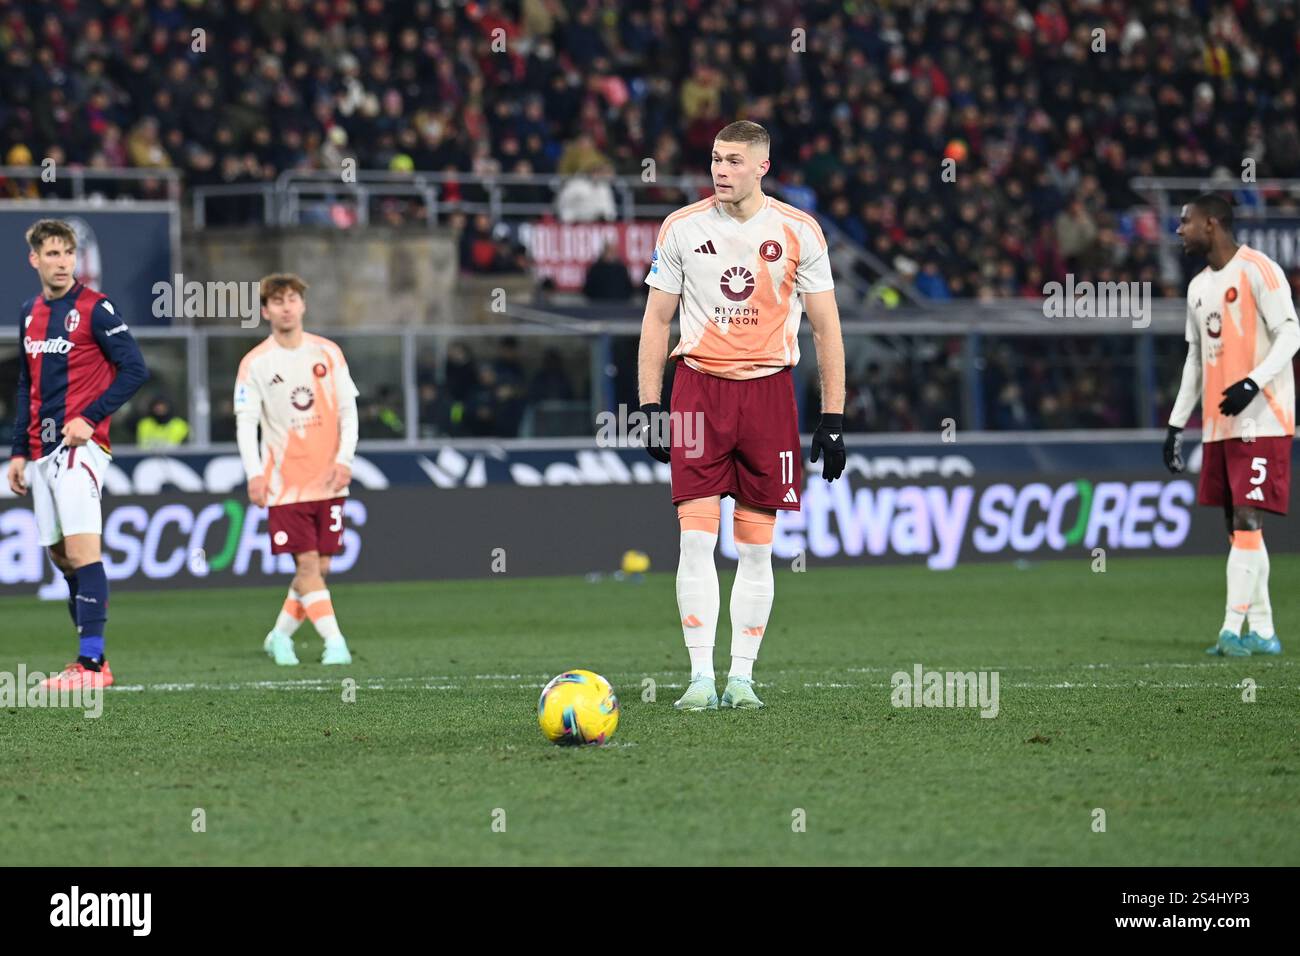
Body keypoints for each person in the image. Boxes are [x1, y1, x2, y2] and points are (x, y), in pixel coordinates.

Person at [636, 120, 846, 711]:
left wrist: (833, 418)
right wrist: (651, 404)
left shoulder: (799, 231)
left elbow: (826, 326)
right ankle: (701, 678)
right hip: (698, 392)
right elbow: (656, 320)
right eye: (713, 159)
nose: (720, 170)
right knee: (696, 541)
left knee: (755, 548)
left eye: (732, 160)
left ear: (762, 166)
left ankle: (741, 678)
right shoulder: (681, 227)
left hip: (769, 396)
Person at [6, 219, 149, 690]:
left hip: (80, 448)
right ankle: (94, 662)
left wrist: (90, 416)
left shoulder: (96, 308)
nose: (62, 262)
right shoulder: (29, 312)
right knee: (62, 557)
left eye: (67, 253)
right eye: (52, 254)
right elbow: (28, 384)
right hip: (42, 453)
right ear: (34, 260)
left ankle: (90, 665)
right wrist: (19, 452)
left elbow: (134, 369)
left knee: (84, 552)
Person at [1164, 194, 1300, 656]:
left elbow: (1292, 333)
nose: (1179, 230)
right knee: (1239, 529)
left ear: (1212, 223)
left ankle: (1230, 629)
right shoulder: (1198, 287)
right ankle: (1263, 630)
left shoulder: (1259, 269)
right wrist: (1175, 424)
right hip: (1220, 427)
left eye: (1186, 222)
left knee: (1247, 517)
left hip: (1264, 418)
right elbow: (1195, 362)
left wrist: (1253, 383)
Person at [235, 274, 360, 666]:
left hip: (329, 479)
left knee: (319, 568)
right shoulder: (254, 363)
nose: (286, 306)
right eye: (278, 301)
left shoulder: (327, 352)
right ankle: (335, 643)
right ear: (265, 310)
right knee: (307, 566)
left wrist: (345, 460)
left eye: (292, 299)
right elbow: (245, 423)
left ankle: (279, 636)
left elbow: (348, 411)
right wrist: (254, 473)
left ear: (303, 305)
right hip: (284, 484)